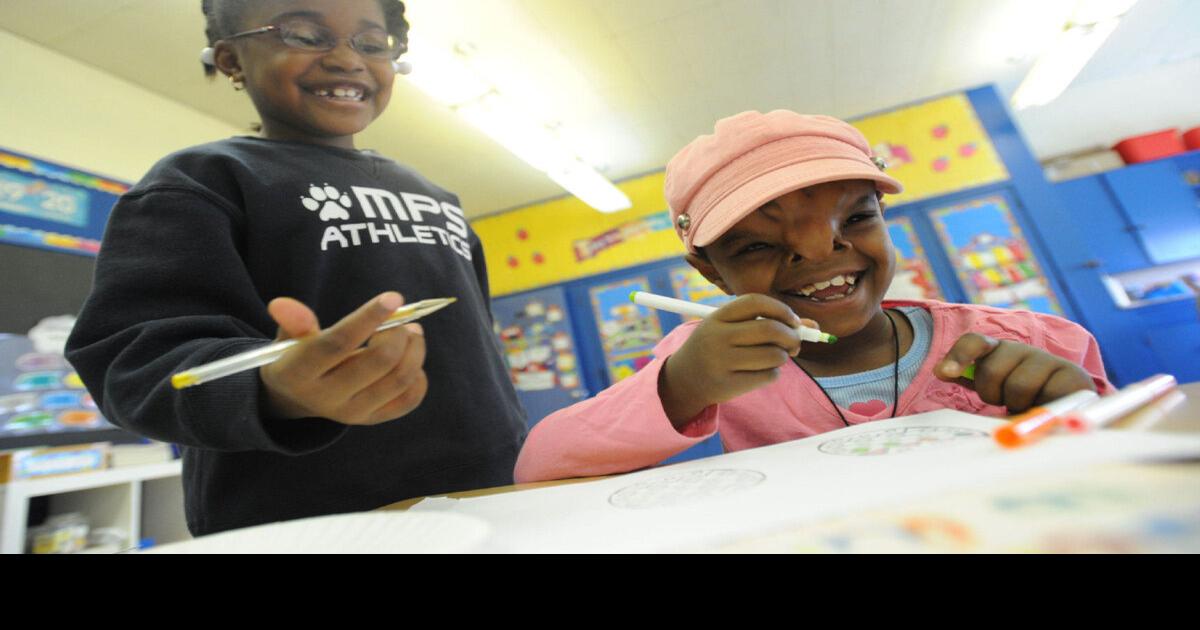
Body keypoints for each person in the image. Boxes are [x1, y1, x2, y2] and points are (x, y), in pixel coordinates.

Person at [66, 0, 526, 535]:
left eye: (372, 45)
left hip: (494, 496)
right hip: (307, 523)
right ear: (231, 60)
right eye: (305, 35)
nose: (346, 59)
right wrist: (273, 389)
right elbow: (133, 359)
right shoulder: (200, 181)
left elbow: (480, 349)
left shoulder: (437, 196)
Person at [515, 110, 1110, 483]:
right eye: (755, 247)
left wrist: (1079, 413)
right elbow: (540, 464)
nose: (821, 253)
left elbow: (1127, 454)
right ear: (709, 272)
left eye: (855, 218)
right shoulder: (704, 367)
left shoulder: (1034, 340)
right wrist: (681, 386)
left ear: (884, 215)